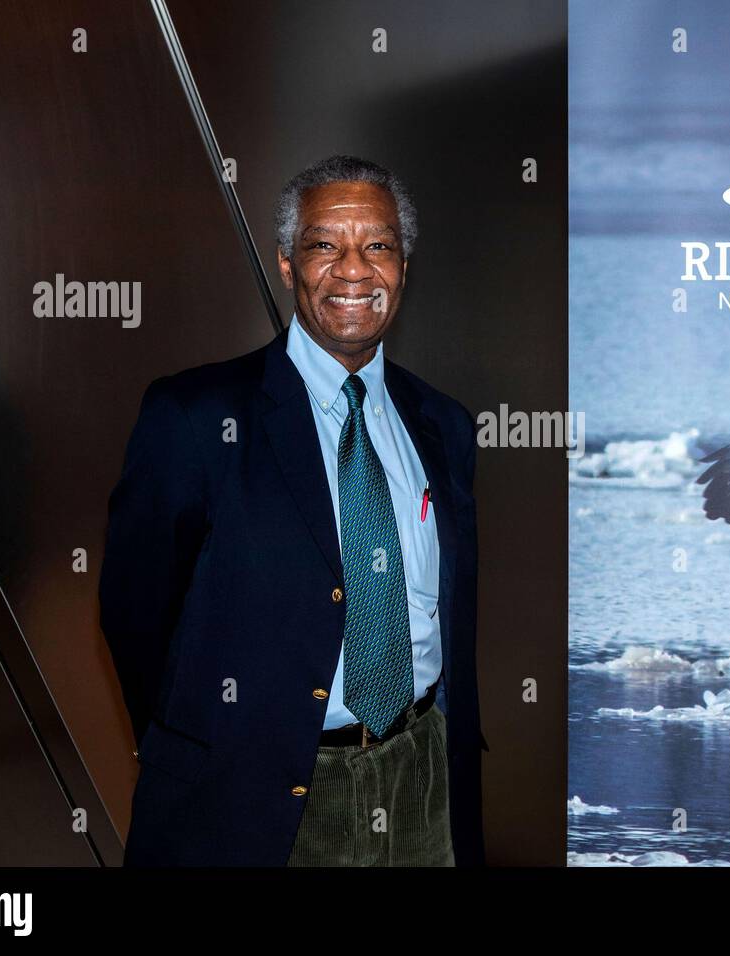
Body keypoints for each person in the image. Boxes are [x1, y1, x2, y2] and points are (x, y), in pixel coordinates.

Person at [99, 155, 485, 866]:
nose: (353, 269)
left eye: (378, 245)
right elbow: (136, 614)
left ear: (403, 265)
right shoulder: (195, 417)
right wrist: (208, 743)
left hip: (423, 784)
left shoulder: (444, 424)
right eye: (324, 245)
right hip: (256, 797)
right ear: (285, 264)